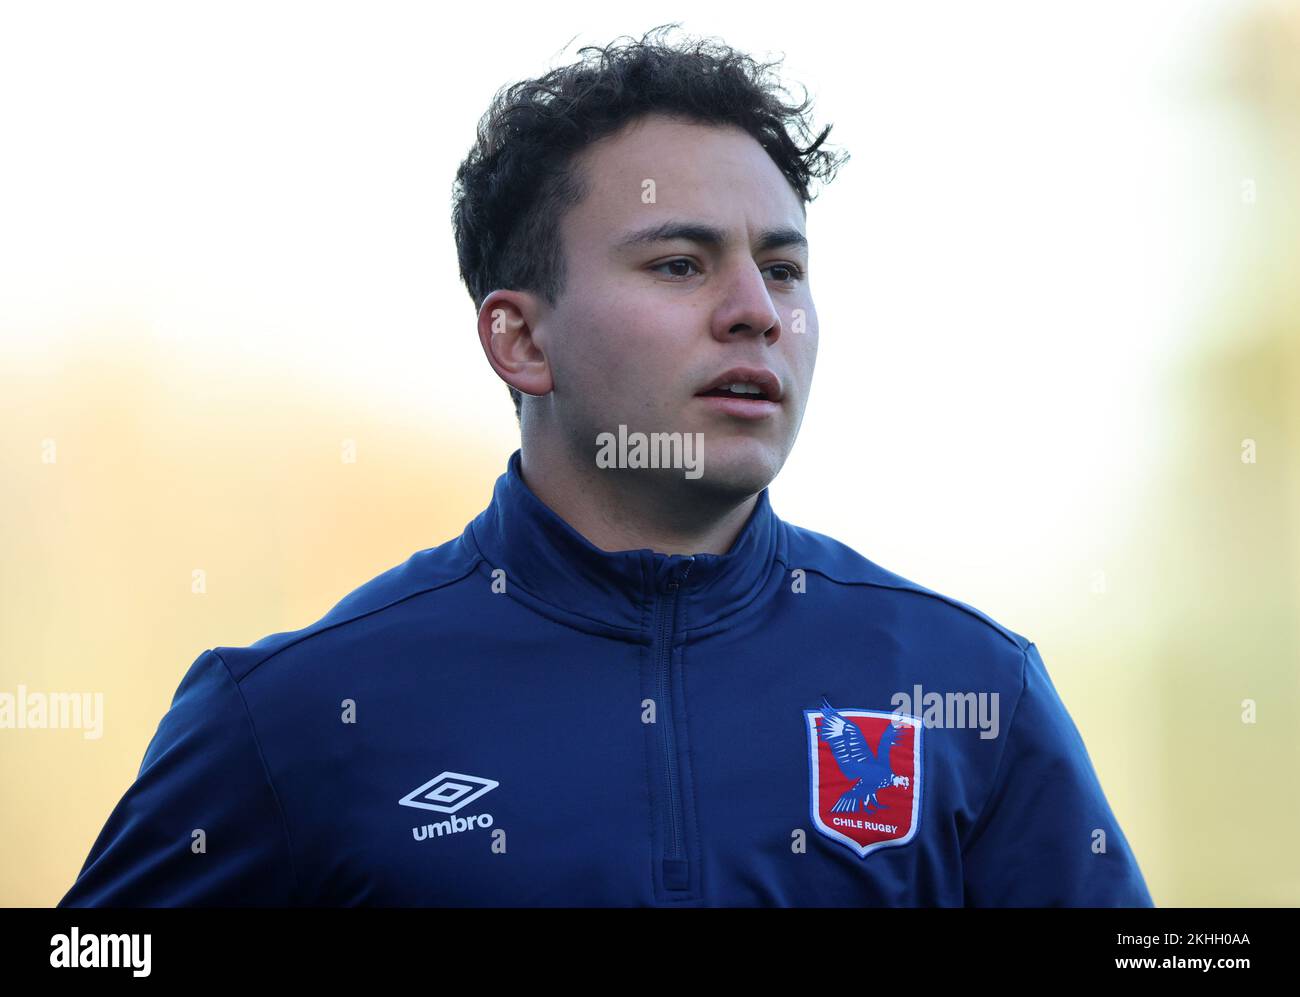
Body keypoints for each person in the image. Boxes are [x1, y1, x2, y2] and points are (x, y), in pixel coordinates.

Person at [58, 24, 1153, 907]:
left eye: (783, 269)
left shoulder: (969, 690)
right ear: (520, 340)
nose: (755, 314)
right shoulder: (294, 714)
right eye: (681, 263)